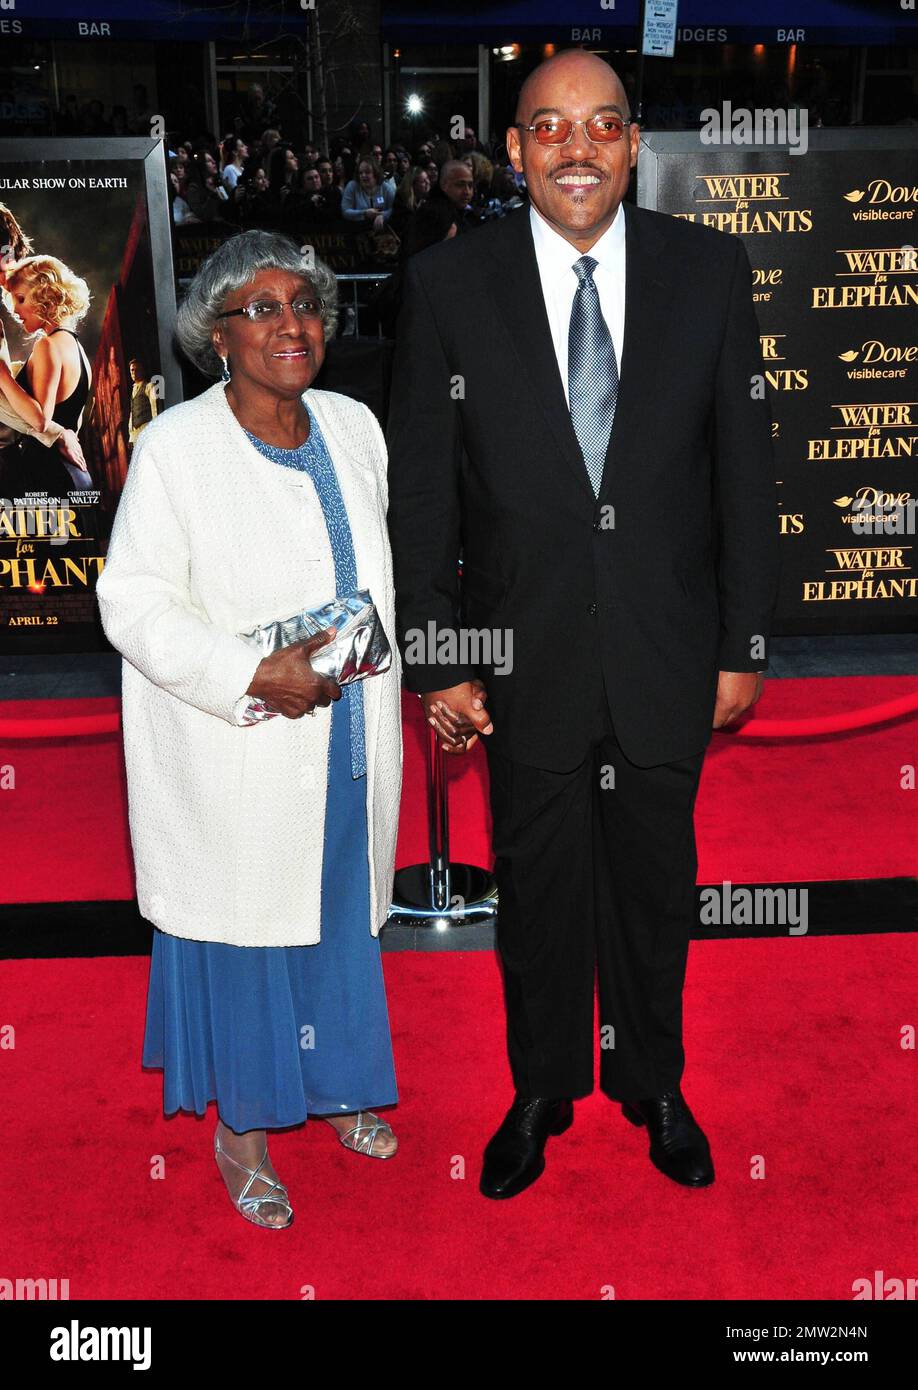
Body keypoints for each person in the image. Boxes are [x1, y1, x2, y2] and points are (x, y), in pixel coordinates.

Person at [386, 49, 779, 1200]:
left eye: (603, 125)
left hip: (666, 651)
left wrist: (741, 642)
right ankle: (543, 1086)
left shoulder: (708, 273)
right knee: (540, 890)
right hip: (520, 659)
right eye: (549, 127)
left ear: (632, 144)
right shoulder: (450, 287)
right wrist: (440, 654)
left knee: (660, 888)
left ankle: (653, 1083)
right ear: (514, 149)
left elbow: (743, 477)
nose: (577, 146)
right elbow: (424, 493)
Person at [95, 230, 404, 1230]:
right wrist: (248, 672)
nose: (290, 324)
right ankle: (246, 1132)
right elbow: (132, 603)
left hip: (350, 736)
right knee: (246, 931)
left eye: (304, 305)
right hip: (237, 741)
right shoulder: (175, 446)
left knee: (334, 913)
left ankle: (339, 1082)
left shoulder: (356, 425)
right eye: (260, 309)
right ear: (215, 336)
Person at [0, 254, 94, 496]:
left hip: (45, 475)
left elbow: (40, 420)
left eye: (21, 299)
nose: (15, 311)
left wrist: (2, 374)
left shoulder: (47, 346)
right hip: (75, 475)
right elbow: (74, 422)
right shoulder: (78, 350)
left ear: (47, 296)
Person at [341, 157, 394, 229]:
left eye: (367, 172)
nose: (363, 175)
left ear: (376, 173)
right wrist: (364, 213)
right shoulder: (352, 186)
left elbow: (394, 208)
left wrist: (383, 215)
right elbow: (345, 211)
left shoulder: (385, 188)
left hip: (381, 231)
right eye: (360, 173)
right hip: (357, 230)